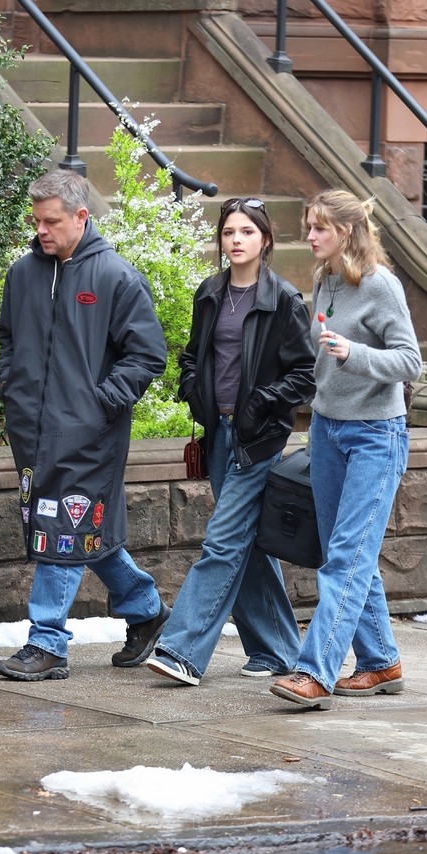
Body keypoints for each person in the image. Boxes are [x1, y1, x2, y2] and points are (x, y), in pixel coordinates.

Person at [0, 168, 171, 681]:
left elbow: (147, 354)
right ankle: (147, 611)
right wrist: (10, 386)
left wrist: (100, 405)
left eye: (51, 221)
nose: (41, 230)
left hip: (91, 436)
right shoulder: (22, 273)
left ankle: (47, 642)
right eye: (36, 221)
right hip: (32, 433)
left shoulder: (116, 277)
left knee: (61, 529)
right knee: (76, 530)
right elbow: (9, 340)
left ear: (81, 217)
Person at [145, 197, 315, 687]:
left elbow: (305, 374)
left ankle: (182, 650)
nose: (236, 240)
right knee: (248, 540)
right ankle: (278, 649)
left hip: (258, 439)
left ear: (266, 240)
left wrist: (261, 402)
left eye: (246, 232)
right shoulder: (211, 292)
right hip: (218, 433)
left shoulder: (283, 299)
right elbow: (194, 353)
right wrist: (192, 387)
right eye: (228, 232)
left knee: (222, 542)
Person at [271, 189, 422, 709]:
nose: (309, 235)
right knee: (346, 553)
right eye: (309, 225)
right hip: (327, 431)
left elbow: (410, 362)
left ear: (347, 231)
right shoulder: (324, 278)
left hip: (375, 435)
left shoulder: (381, 285)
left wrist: (354, 353)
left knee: (345, 558)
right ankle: (381, 662)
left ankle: (314, 672)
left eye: (319, 227)